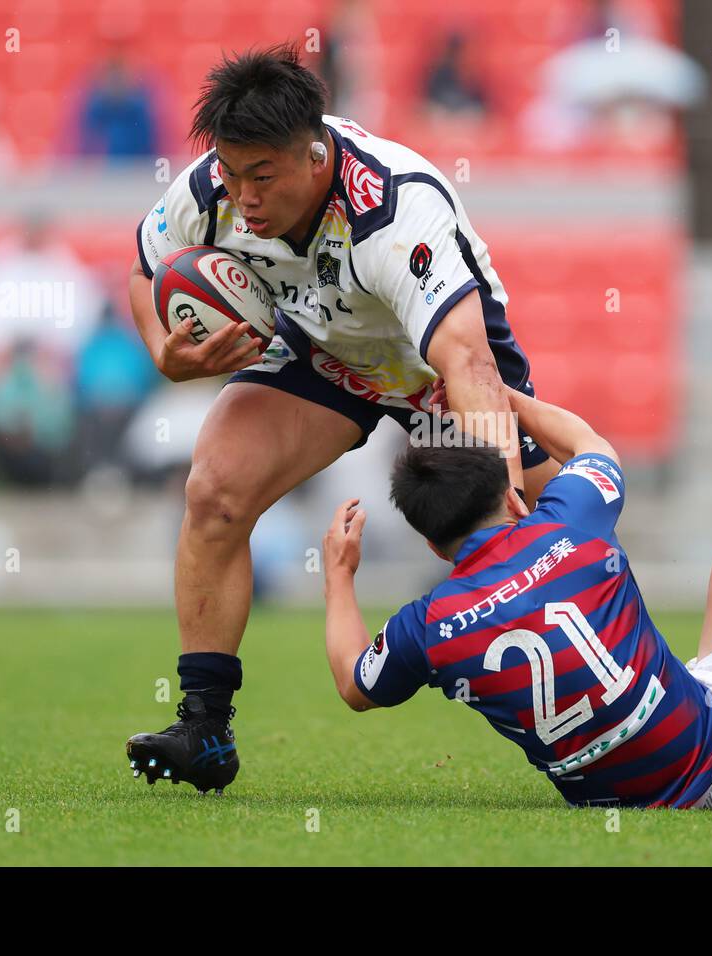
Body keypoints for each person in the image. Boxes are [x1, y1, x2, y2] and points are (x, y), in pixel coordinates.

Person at [124, 45, 558, 794]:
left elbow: (467, 362)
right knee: (214, 490)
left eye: (264, 177)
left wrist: (504, 493)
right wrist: (164, 352)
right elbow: (144, 269)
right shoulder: (213, 188)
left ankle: (634, 707)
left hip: (437, 371)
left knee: (556, 540)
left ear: (318, 153)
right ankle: (204, 728)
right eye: (233, 175)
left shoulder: (396, 207)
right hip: (326, 351)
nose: (245, 198)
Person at [318, 387, 712, 810]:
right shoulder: (570, 519)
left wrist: (340, 574)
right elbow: (588, 443)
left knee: (692, 676)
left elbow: (353, 684)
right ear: (513, 496)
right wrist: (506, 398)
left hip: (611, 797)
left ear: (434, 546)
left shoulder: (428, 625)